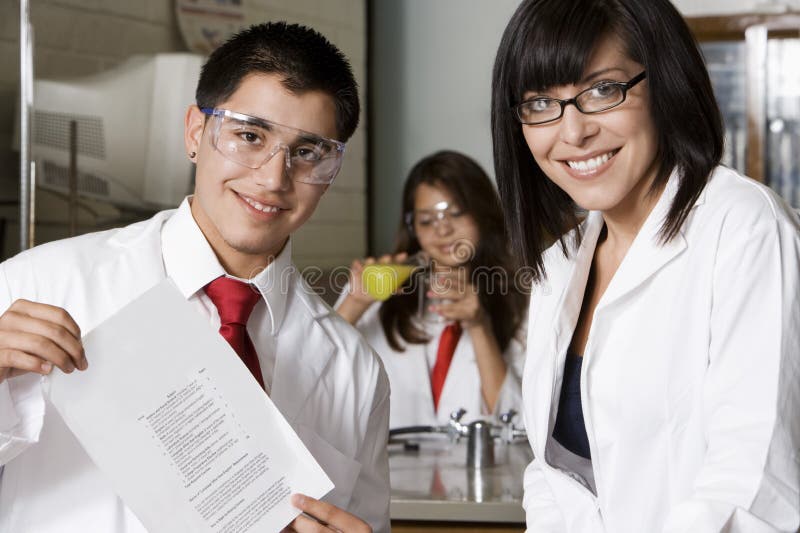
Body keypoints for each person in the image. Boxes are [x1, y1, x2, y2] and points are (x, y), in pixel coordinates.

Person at [0, 22, 389, 533]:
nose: (273, 178)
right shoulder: (37, 285)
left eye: (308, 152)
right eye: (250, 136)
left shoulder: (354, 369)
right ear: (194, 133)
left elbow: (365, 522)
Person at [491, 0, 800, 531]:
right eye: (542, 102)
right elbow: (552, 476)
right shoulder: (559, 266)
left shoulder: (745, 228)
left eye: (603, 90)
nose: (573, 131)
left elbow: (749, 486)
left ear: (664, 85)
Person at [336, 150, 528, 428]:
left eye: (456, 214)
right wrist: (354, 304)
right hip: (392, 467)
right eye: (427, 221)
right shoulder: (377, 294)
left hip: (478, 467)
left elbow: (515, 422)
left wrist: (478, 325)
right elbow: (314, 377)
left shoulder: (522, 299)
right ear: (412, 228)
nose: (442, 230)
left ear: (484, 214)